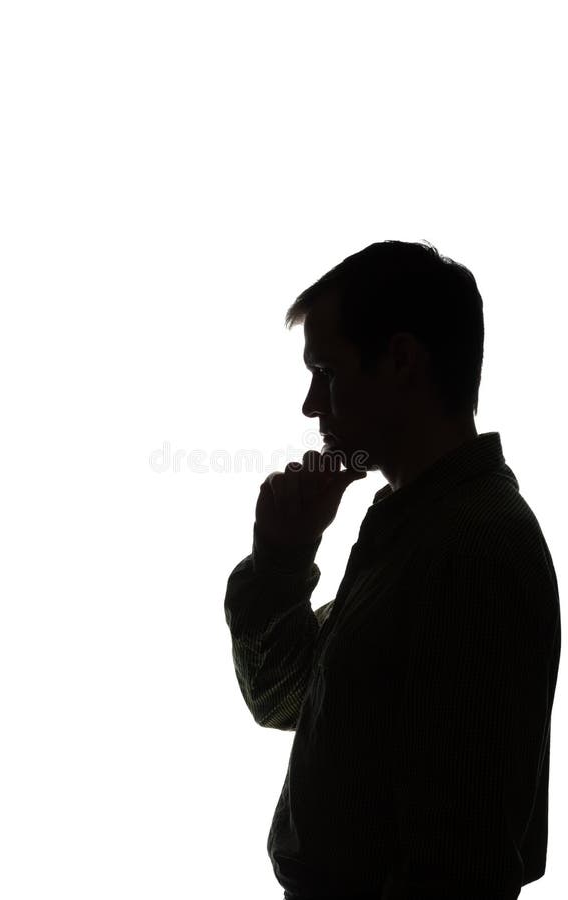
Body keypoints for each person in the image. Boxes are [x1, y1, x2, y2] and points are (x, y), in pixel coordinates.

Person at [223, 240, 561, 899]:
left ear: (402, 360)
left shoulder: (471, 550)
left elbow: (457, 869)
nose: (310, 405)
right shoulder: (413, 529)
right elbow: (280, 698)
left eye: (326, 371)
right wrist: (282, 559)